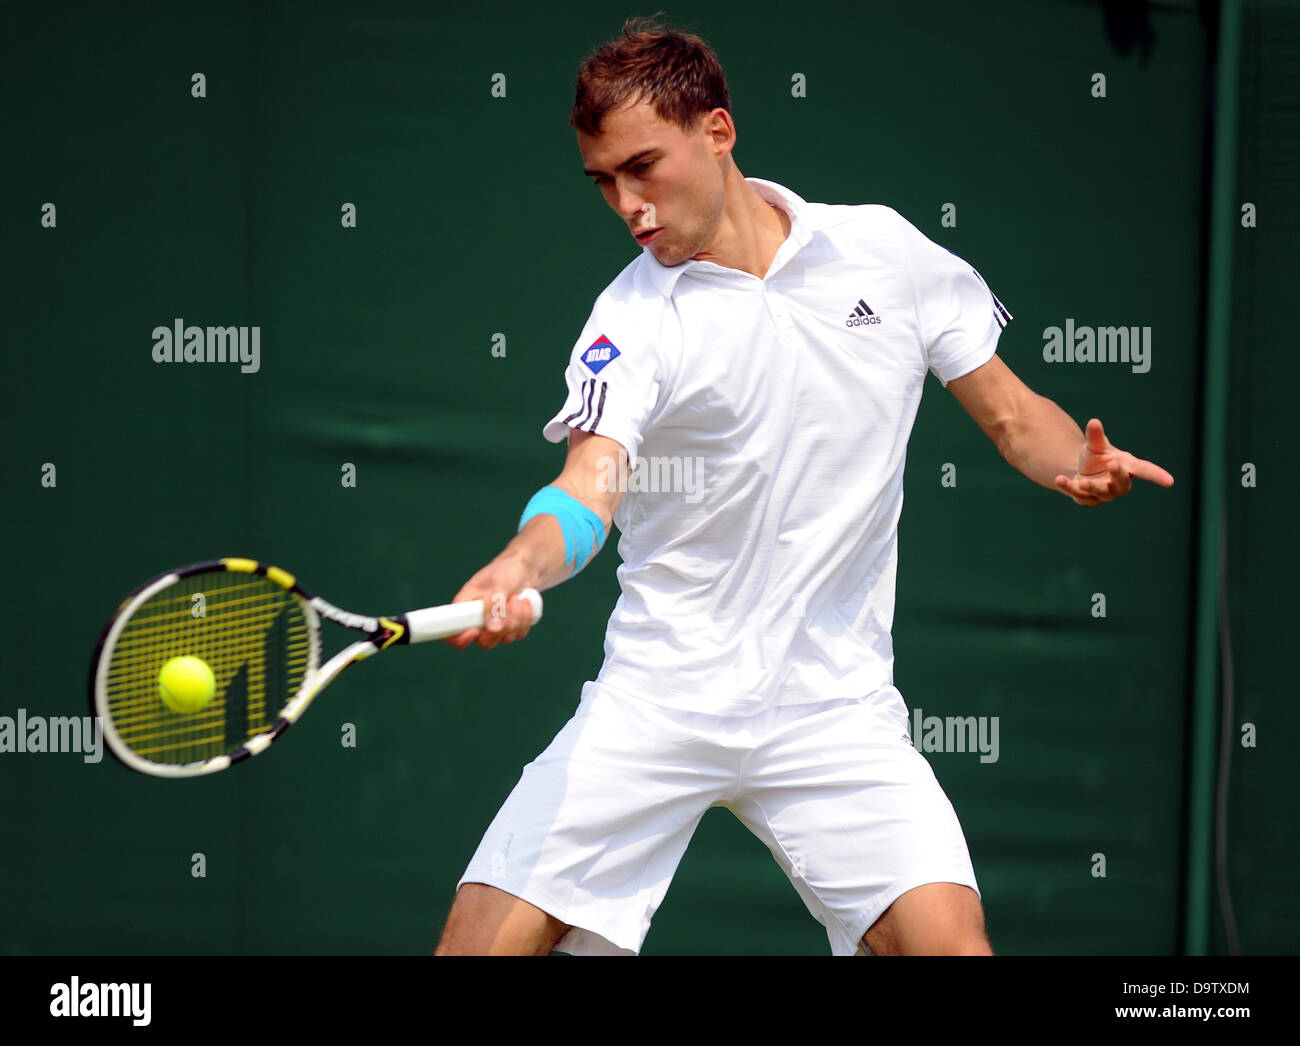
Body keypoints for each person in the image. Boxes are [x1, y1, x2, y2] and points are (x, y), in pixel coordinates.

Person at [433, 17, 1174, 956]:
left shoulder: (888, 255)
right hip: (660, 698)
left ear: (719, 131)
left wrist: (1079, 464)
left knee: (953, 949)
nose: (628, 204)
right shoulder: (632, 317)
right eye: (604, 182)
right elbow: (587, 490)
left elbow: (1018, 419)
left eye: (644, 168)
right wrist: (516, 566)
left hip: (834, 709)